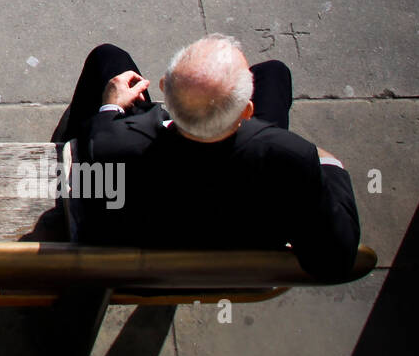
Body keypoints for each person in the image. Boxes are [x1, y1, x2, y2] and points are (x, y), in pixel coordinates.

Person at [51, 34, 360, 281]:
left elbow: (93, 182)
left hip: (137, 269)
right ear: (248, 112)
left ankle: (63, 138)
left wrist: (111, 108)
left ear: (162, 89)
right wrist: (329, 166)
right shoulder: (290, 158)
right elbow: (335, 260)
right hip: (228, 269)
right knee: (274, 73)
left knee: (108, 56)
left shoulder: (109, 146)